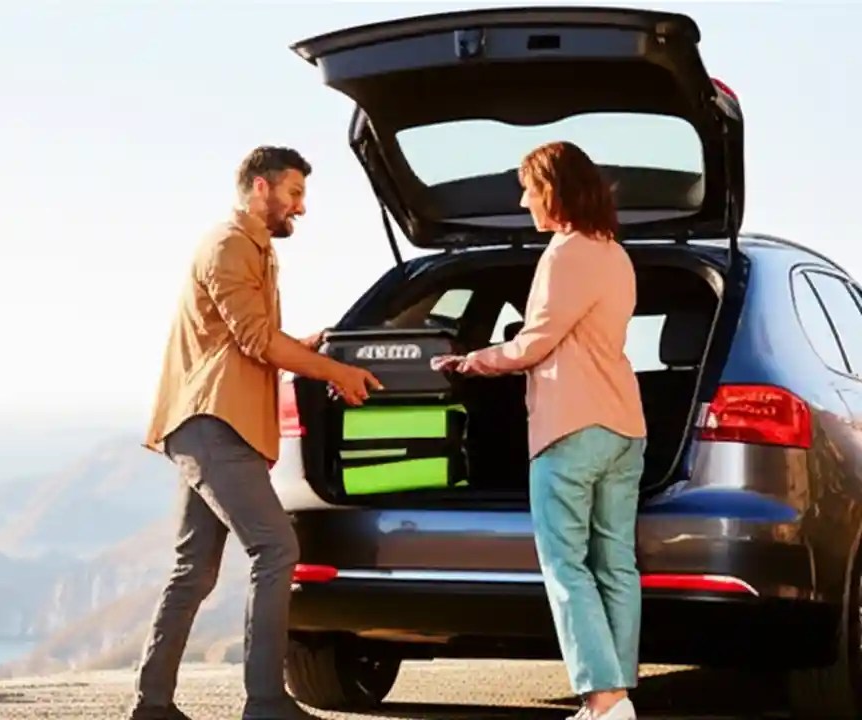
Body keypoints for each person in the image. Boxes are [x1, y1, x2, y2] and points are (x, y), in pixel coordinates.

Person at [127, 146, 383, 720]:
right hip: (213, 424)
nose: (302, 208)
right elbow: (256, 341)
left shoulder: (254, 250)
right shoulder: (230, 244)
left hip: (213, 425)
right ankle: (265, 701)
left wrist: (310, 346)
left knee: (193, 568)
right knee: (275, 547)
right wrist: (335, 372)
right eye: (294, 193)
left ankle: (152, 705)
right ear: (261, 187)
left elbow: (254, 335)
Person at [433, 141, 647, 720]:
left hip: (571, 429)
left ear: (552, 189)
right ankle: (617, 697)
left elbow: (536, 343)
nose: (525, 201)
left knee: (565, 565)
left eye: (529, 189)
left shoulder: (565, 252)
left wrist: (471, 361)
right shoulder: (616, 255)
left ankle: (603, 697)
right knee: (615, 564)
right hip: (626, 427)